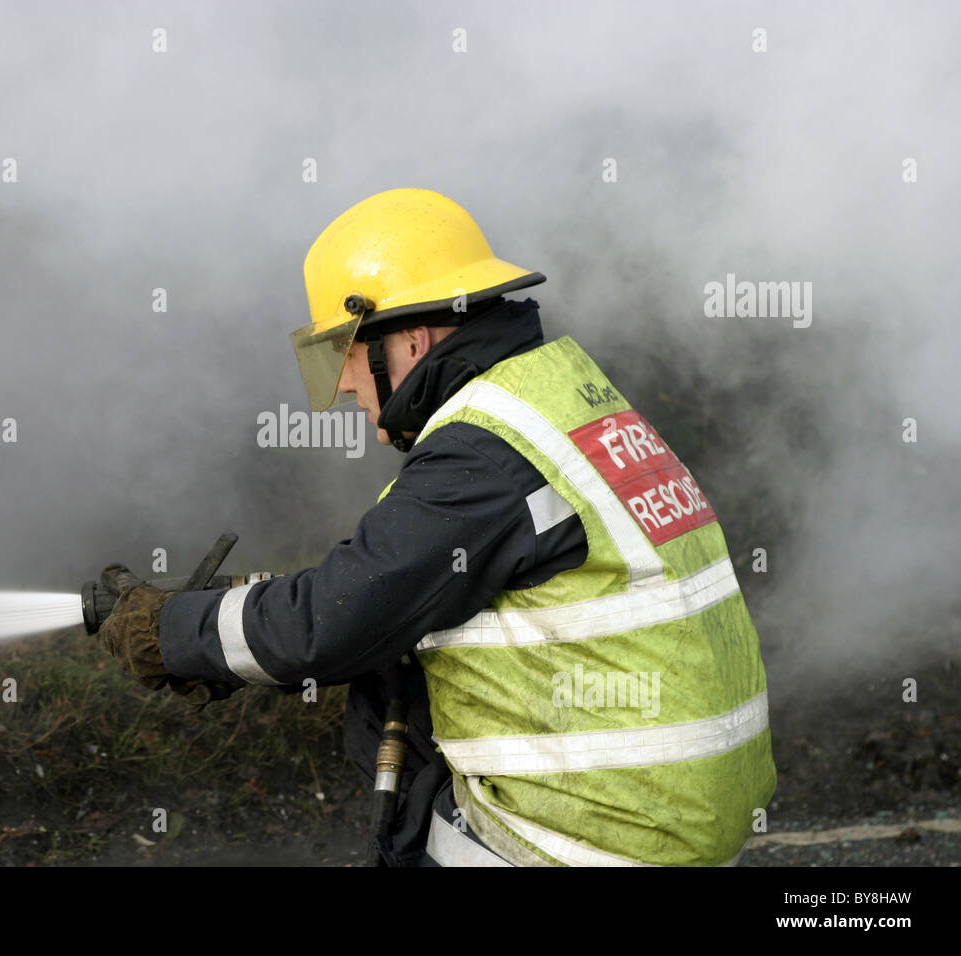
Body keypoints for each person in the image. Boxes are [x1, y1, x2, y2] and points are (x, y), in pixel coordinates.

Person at [97, 187, 777, 866]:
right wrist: (243, 613)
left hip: (602, 837)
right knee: (397, 670)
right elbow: (400, 587)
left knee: (404, 783)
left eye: (344, 353)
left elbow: (329, 625)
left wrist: (167, 632)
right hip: (681, 810)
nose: (342, 389)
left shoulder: (483, 448)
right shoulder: (558, 395)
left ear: (409, 339)